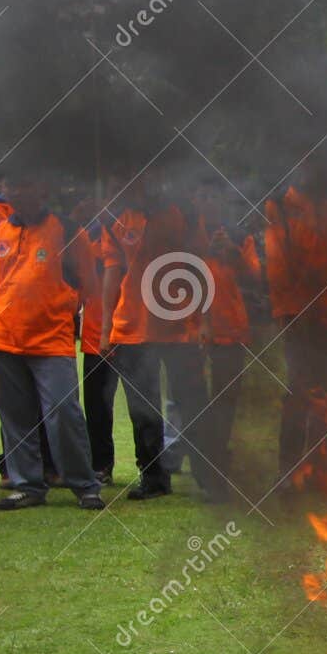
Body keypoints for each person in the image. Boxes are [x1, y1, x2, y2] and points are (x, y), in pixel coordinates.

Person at [0, 170, 104, 511]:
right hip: (3, 336)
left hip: (52, 338)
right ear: (4, 189)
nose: (18, 191)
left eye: (26, 183)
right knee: (15, 416)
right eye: (12, 184)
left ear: (42, 188)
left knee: (63, 412)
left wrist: (63, 307)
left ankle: (84, 485)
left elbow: (89, 284)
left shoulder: (67, 230)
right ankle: (27, 486)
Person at [104, 173, 210, 500]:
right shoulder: (117, 219)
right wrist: (106, 329)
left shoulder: (184, 214)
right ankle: (153, 478)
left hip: (180, 327)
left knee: (193, 403)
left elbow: (200, 265)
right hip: (133, 328)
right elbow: (112, 273)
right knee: (142, 408)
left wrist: (203, 320)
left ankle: (209, 478)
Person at [262, 159, 327, 486]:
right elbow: (277, 267)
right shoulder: (280, 209)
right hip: (300, 319)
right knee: (299, 394)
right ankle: (289, 468)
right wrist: (288, 314)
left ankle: (318, 469)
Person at [193, 181, 260, 498]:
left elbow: (255, 277)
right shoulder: (186, 234)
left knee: (224, 405)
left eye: (214, 196)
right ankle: (203, 471)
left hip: (230, 335)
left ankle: (216, 475)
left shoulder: (239, 236)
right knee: (195, 404)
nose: (209, 201)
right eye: (203, 195)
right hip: (190, 334)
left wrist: (232, 252)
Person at [71, 199, 119, 484]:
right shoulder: (86, 237)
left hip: (129, 333)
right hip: (94, 336)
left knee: (142, 408)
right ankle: (101, 465)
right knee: (97, 407)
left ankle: (152, 470)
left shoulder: (127, 233)